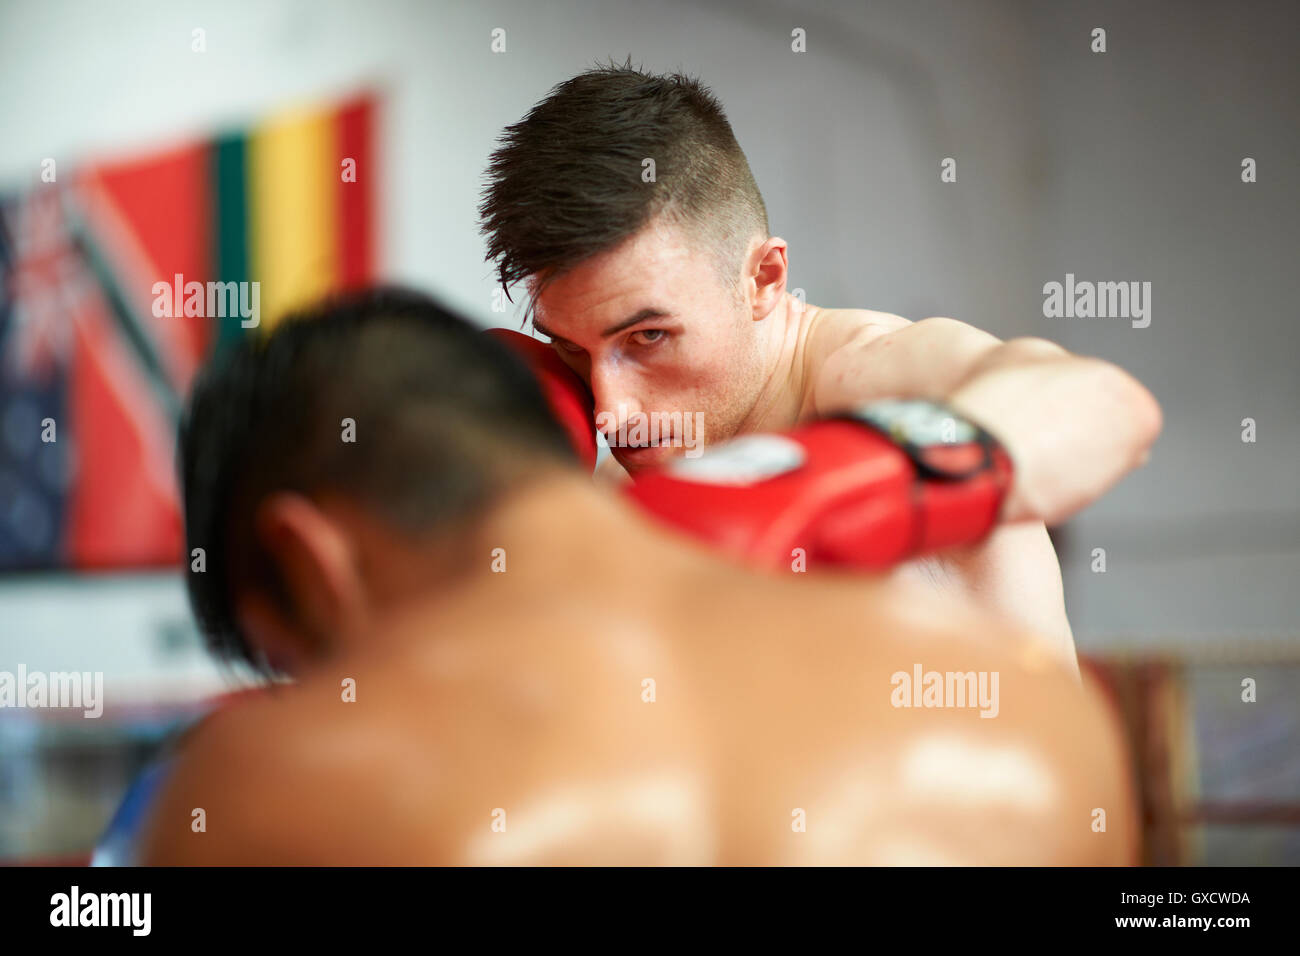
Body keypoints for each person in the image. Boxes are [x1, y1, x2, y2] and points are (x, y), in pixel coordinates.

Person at [140, 287, 1136, 865]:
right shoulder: (1032, 718)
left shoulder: (271, 783)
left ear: (315, 563)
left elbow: (1091, 402)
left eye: (308, 661)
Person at [478, 61, 1163, 670]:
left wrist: (838, 485)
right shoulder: (616, 485)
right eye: (573, 347)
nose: (610, 411)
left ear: (765, 278)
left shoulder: (862, 378)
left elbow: (1103, 402)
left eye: (649, 337)